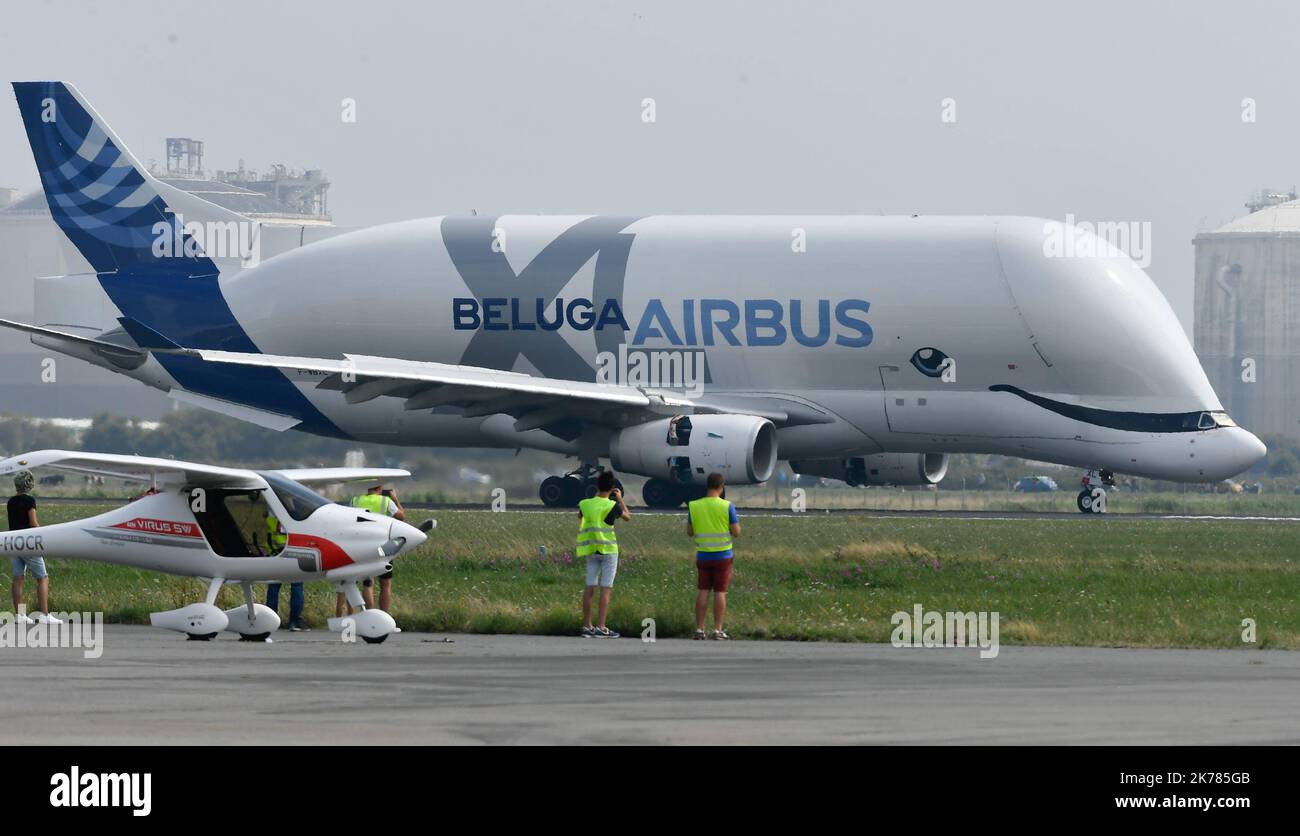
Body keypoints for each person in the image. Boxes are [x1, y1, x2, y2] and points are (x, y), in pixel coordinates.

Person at [337, 482, 405, 617]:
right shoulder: (386, 501)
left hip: (361, 546)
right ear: (380, 489)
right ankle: (383, 617)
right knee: (385, 585)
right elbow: (401, 516)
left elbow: (346, 519)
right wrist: (395, 498)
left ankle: (367, 615)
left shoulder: (355, 500)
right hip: (384, 545)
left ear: (368, 488)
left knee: (367, 583)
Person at [686, 472, 740, 640]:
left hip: (703, 555)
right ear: (721, 486)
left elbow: (690, 531)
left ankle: (700, 629)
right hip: (723, 556)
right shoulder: (727, 506)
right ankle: (717, 630)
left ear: (707, 485)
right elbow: (736, 532)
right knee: (720, 592)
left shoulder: (694, 506)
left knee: (703, 590)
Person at [577, 471, 629, 638]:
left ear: (597, 486)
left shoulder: (585, 503)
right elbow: (627, 517)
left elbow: (580, 516)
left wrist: (595, 499)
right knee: (606, 589)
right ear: (613, 488)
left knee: (589, 587)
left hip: (591, 549)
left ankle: (587, 626)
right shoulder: (612, 506)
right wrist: (619, 499)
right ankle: (601, 626)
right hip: (608, 550)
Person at [7, 470, 60, 625]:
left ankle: (20, 615)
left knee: (18, 578)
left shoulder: (11, 501)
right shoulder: (30, 501)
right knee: (42, 578)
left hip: (13, 542)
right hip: (28, 543)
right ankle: (44, 614)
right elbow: (33, 523)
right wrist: (44, 535)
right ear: (29, 484)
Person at [263, 511, 308, 631]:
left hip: (274, 553)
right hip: (291, 553)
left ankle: (270, 620)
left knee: (273, 588)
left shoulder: (271, 513)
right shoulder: (289, 513)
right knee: (297, 586)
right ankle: (294, 621)